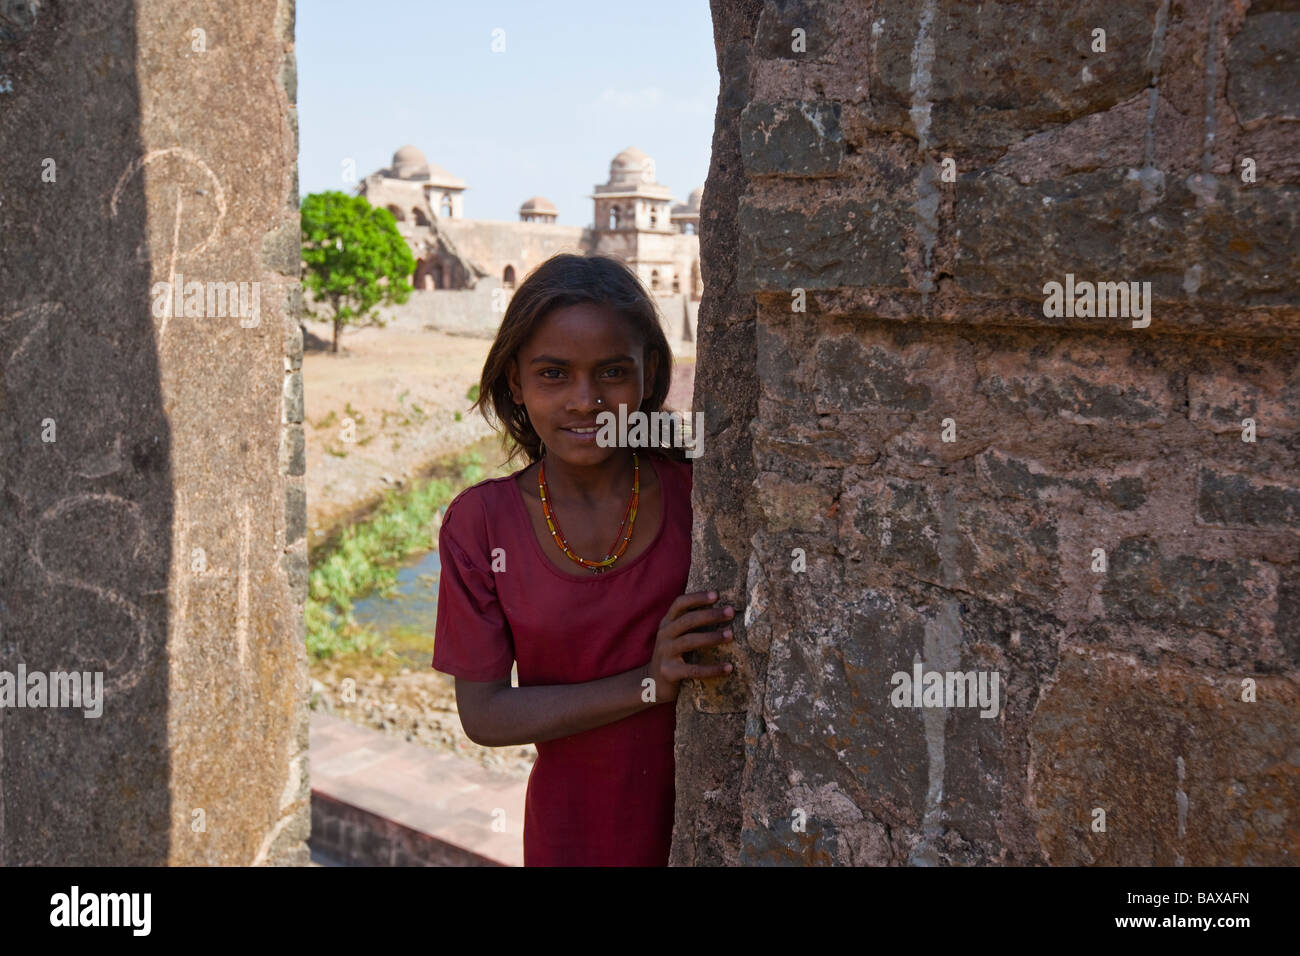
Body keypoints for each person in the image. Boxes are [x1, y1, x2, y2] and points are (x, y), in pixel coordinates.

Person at [432, 252, 734, 866]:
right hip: (572, 836)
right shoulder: (481, 524)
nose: (584, 400)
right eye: (552, 374)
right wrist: (649, 683)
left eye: (612, 373)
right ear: (514, 380)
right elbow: (486, 713)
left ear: (649, 377)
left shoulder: (702, 495)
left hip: (713, 819)